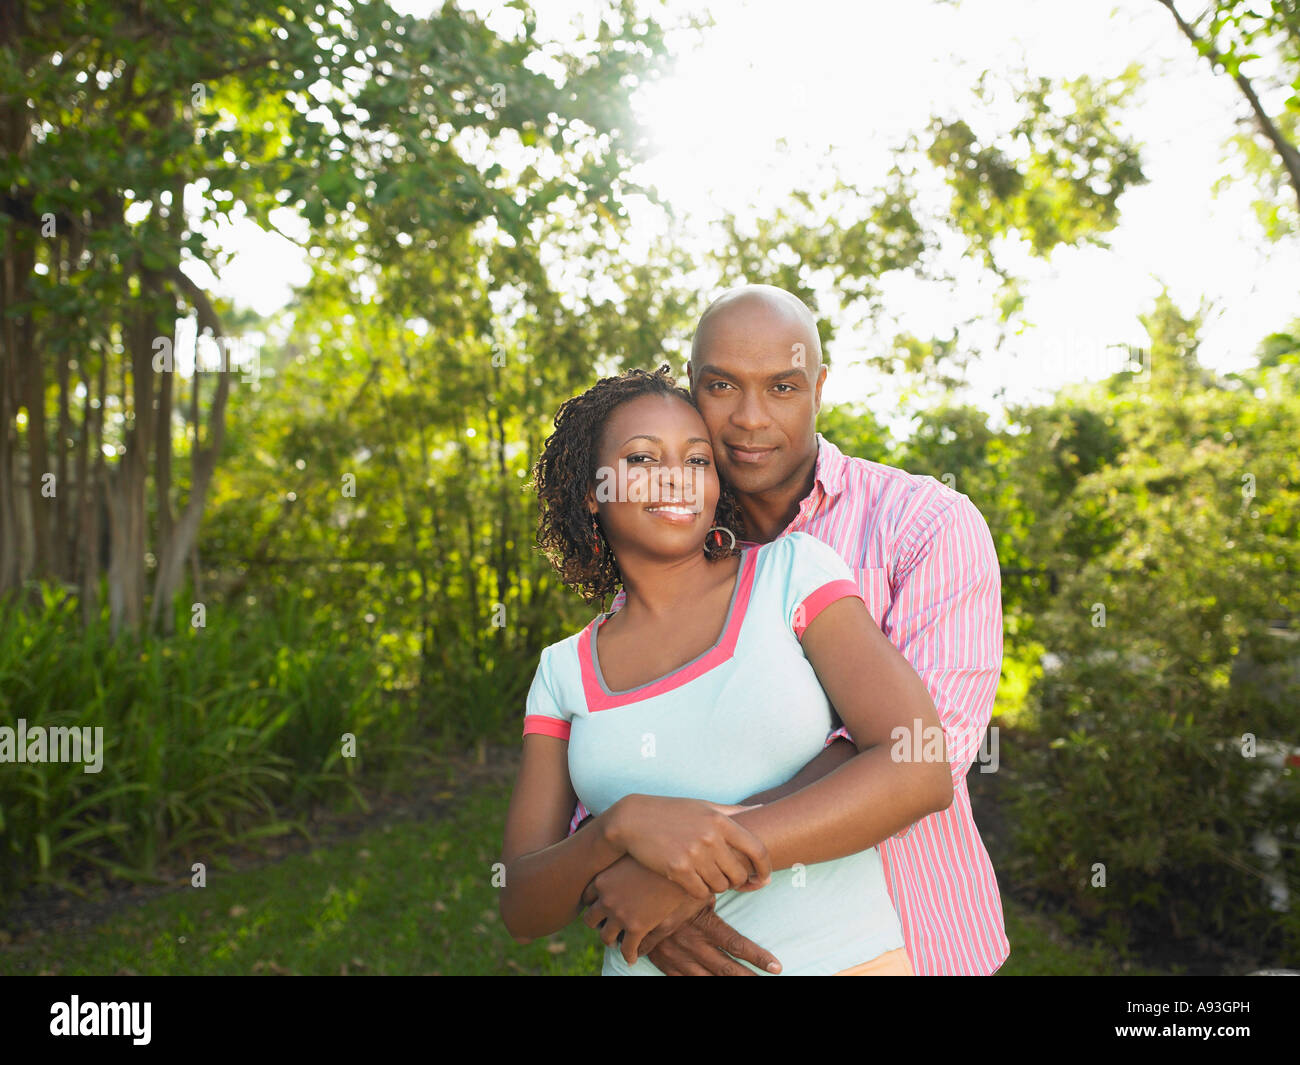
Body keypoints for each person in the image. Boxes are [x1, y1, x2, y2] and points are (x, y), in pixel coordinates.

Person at [572, 285, 1010, 976]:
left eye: (782, 386)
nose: (750, 419)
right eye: (721, 386)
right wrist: (618, 875)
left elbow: (924, 752)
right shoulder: (668, 541)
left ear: (819, 387)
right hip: (701, 955)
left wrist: (688, 868)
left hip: (908, 936)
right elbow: (615, 750)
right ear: (692, 386)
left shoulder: (926, 525)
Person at [499, 364, 954, 974]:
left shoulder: (793, 574)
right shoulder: (562, 672)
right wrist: (617, 830)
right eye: (641, 460)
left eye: (696, 461)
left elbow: (918, 763)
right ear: (592, 491)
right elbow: (522, 905)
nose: (676, 481)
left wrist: (689, 868)